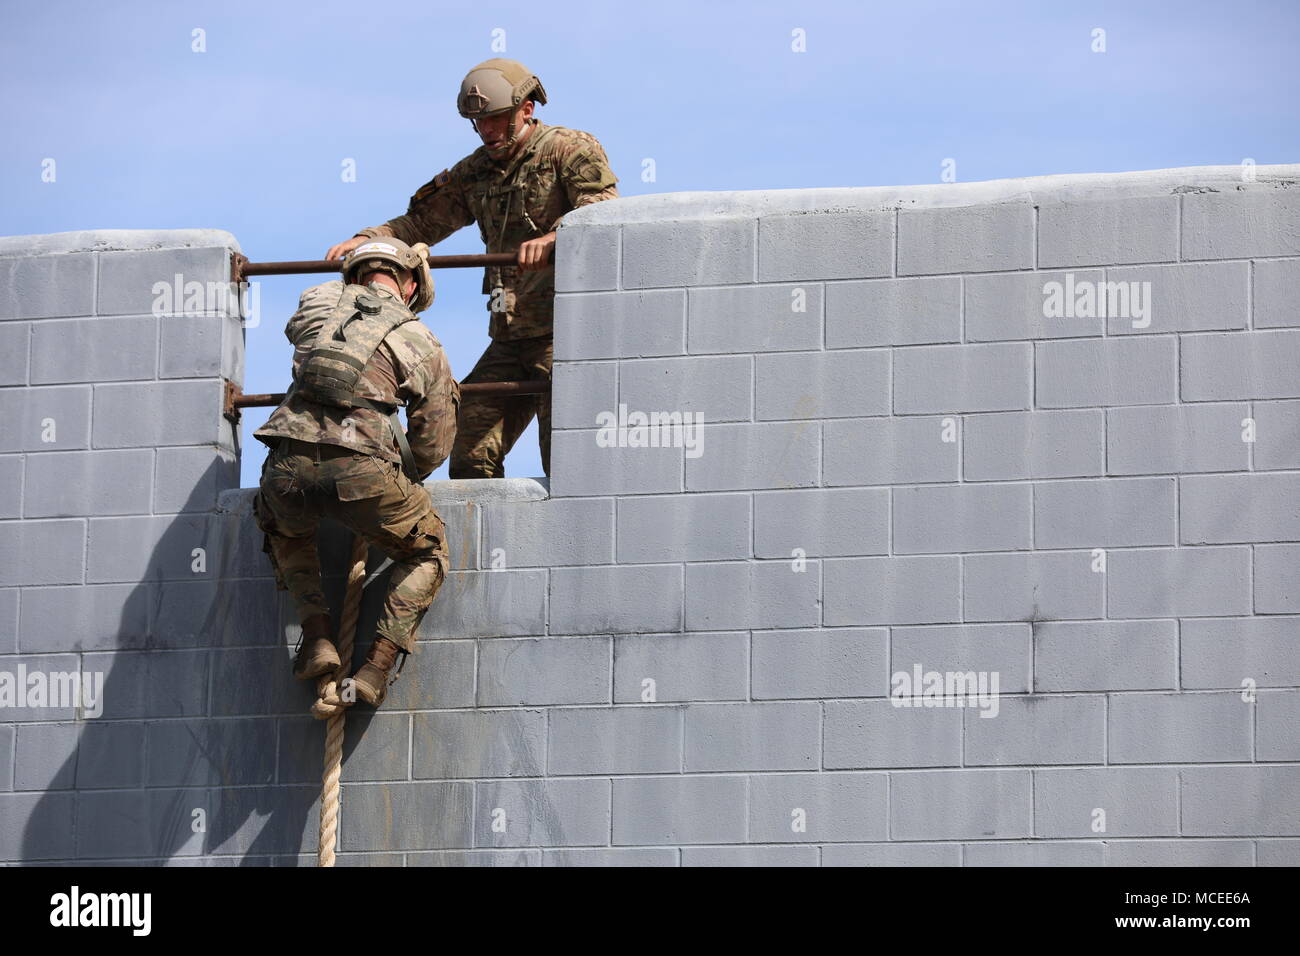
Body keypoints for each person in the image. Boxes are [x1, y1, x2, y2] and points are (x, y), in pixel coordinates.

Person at [326, 58, 618, 478]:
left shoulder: (568, 149)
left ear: (527, 109)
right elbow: (421, 223)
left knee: (567, 456)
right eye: (478, 122)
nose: (487, 131)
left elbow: (603, 210)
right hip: (509, 336)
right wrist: (370, 239)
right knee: (468, 452)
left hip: (565, 331)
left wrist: (555, 237)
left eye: (497, 119)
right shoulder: (474, 172)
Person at [252, 238, 459, 706]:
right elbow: (433, 442)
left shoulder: (316, 307)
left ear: (355, 275)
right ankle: (375, 668)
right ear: (410, 286)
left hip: (287, 467)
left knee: (285, 530)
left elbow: (317, 311)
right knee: (427, 552)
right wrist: (401, 478)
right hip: (365, 474)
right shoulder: (420, 339)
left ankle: (319, 638)